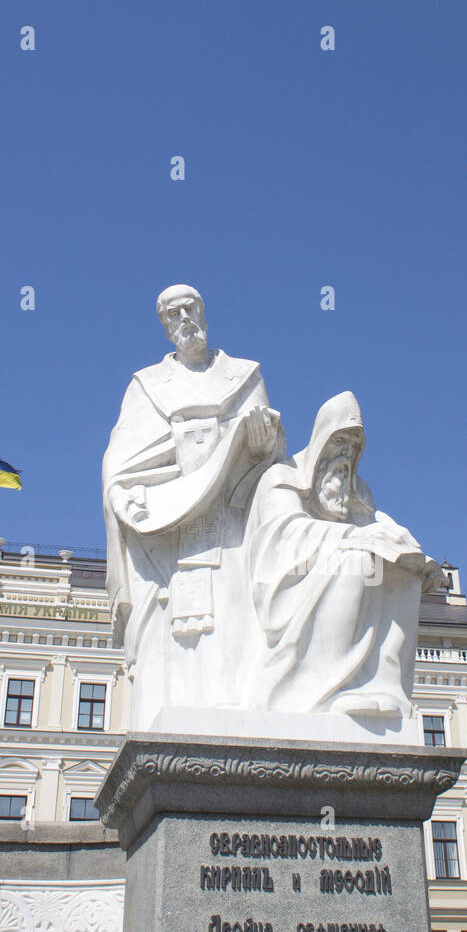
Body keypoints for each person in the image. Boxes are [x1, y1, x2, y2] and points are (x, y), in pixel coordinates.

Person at [102, 285, 282, 727]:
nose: (183, 318)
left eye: (189, 308)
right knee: (178, 634)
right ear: (164, 327)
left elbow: (274, 458)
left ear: (204, 312)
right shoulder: (146, 386)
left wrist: (262, 441)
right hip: (169, 526)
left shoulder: (245, 375)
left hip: (234, 522)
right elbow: (121, 465)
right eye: (171, 314)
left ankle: (236, 715)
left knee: (235, 616)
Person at [241, 391, 444, 723]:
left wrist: (417, 558)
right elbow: (284, 537)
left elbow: (381, 529)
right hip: (289, 584)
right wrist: (356, 537)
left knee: (402, 575)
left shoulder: (358, 492)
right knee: (359, 563)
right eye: (339, 442)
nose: (346, 453)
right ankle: (324, 689)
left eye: (354, 445)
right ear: (321, 440)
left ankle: (382, 688)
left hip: (334, 572)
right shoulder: (284, 477)